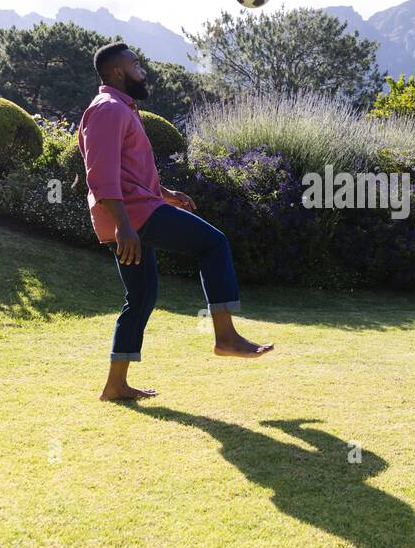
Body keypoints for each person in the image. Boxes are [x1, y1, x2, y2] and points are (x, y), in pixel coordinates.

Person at [79, 42, 274, 402]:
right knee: (212, 244)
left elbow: (128, 169)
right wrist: (124, 225)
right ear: (117, 72)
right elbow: (100, 174)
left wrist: (166, 193)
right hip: (133, 216)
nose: (143, 71)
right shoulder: (108, 109)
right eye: (136, 64)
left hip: (136, 211)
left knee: (140, 296)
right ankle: (226, 337)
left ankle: (115, 385)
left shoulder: (121, 108)